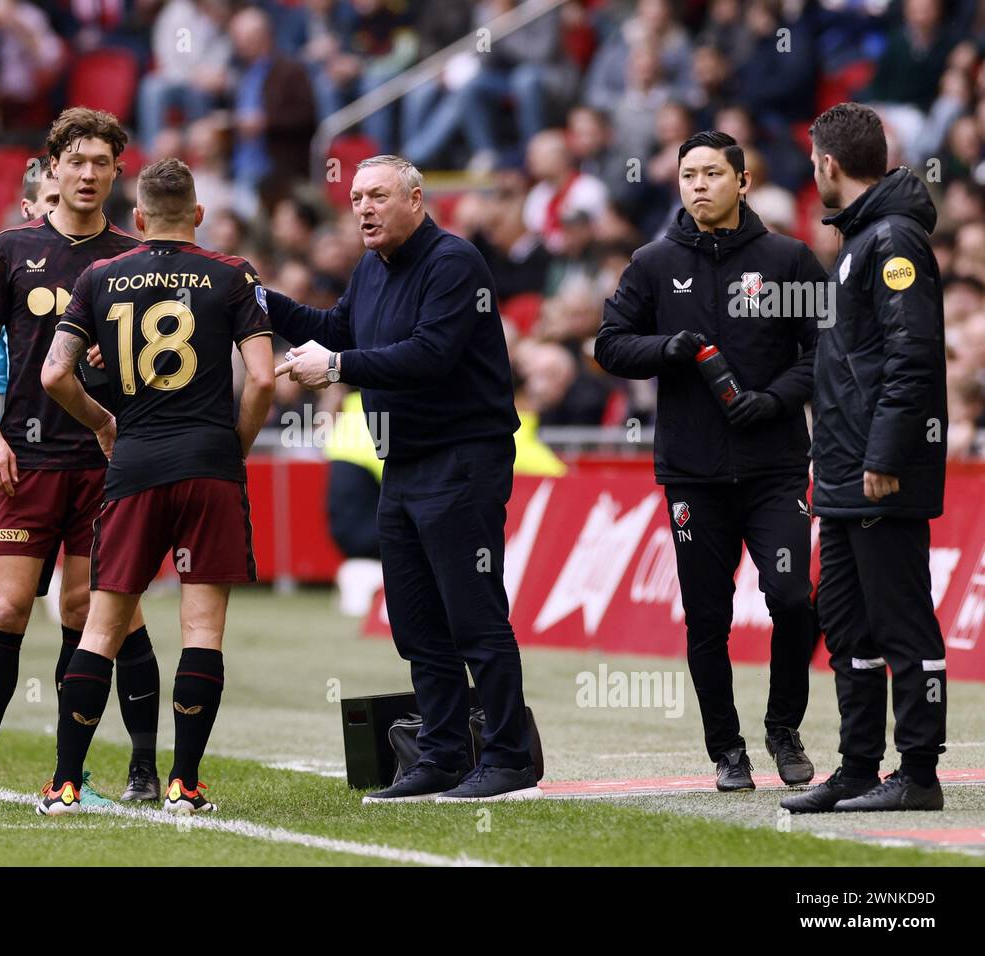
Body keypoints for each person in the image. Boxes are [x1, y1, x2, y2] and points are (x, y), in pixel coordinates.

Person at [271, 155, 541, 803]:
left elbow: (430, 354)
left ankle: (507, 761)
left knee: (473, 616)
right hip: (403, 461)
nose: (363, 207)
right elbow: (335, 328)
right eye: (357, 197)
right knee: (417, 624)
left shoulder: (453, 262)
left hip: (462, 458)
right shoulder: (372, 267)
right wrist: (253, 296)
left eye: (378, 196)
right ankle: (442, 756)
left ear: (417, 199)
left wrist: (335, 367)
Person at [36, 158, 274, 815]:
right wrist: (235, 447)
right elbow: (261, 379)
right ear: (198, 216)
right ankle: (184, 785)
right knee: (202, 629)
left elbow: (55, 376)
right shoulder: (232, 274)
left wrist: (105, 423)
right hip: (207, 464)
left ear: (137, 220)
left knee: (102, 629)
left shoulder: (99, 275)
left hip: (133, 464)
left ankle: (63, 784)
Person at [595, 131, 826, 791]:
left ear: (742, 182)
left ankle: (783, 728)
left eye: (711, 174)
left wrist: (774, 399)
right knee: (707, 617)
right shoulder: (652, 262)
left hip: (776, 467)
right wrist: (670, 348)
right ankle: (727, 749)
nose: (698, 185)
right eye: (688, 175)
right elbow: (609, 345)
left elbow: (824, 349)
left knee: (790, 597)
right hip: (693, 475)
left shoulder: (787, 259)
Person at [0, 108, 158, 812]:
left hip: (103, 464)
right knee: (4, 608)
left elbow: (153, 369)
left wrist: (116, 361)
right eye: (78, 161)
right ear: (55, 167)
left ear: (116, 172)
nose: (90, 174)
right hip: (24, 459)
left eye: (103, 163)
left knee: (81, 612)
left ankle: (72, 776)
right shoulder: (11, 247)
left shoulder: (132, 258)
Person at [783, 103, 948, 814]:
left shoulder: (894, 241)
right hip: (846, 473)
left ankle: (919, 772)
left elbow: (911, 362)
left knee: (903, 623)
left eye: (812, 159)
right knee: (848, 624)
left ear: (828, 163)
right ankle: (857, 766)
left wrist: (883, 455)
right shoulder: (859, 239)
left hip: (882, 473)